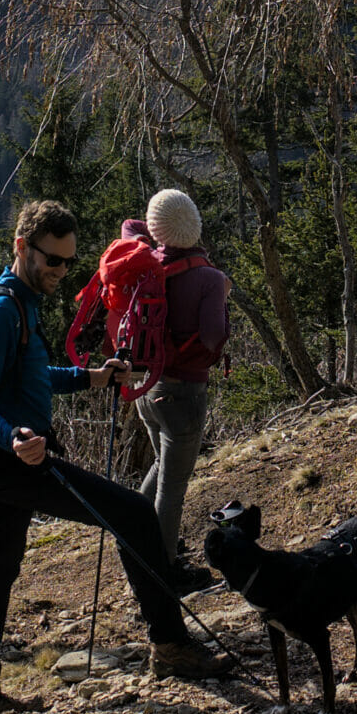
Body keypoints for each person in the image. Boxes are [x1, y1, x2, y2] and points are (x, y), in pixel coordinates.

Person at [0, 200, 226, 714]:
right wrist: (13, 436)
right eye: (51, 260)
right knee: (133, 513)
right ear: (21, 247)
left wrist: (89, 377)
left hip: (8, 455)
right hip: (13, 457)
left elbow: (30, 376)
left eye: (67, 263)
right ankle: (170, 645)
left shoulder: (20, 302)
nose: (59, 272)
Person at [124, 188, 228, 555]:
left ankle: (134, 528)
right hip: (184, 394)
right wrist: (222, 298)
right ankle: (164, 568)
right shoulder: (210, 279)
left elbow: (130, 224)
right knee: (172, 490)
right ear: (196, 225)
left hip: (147, 388)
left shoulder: (147, 263)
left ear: (157, 231)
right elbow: (214, 339)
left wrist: (150, 236)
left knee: (162, 467)